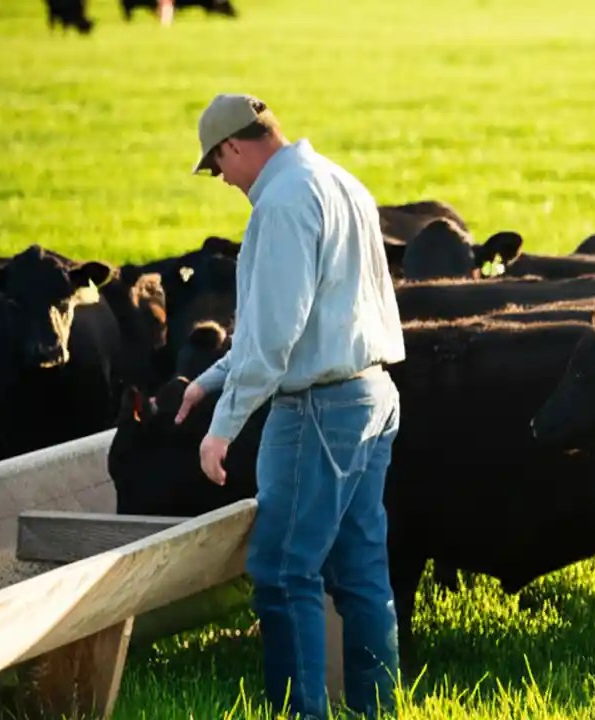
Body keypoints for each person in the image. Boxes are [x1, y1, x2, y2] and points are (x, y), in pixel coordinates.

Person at [176, 92, 406, 719]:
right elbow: (311, 317)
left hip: (318, 411)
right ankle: (375, 710)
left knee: (282, 573)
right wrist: (212, 379)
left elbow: (275, 337)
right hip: (372, 394)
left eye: (217, 168)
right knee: (362, 576)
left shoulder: (279, 205)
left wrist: (221, 428)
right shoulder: (339, 181)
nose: (222, 181)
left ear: (232, 146)